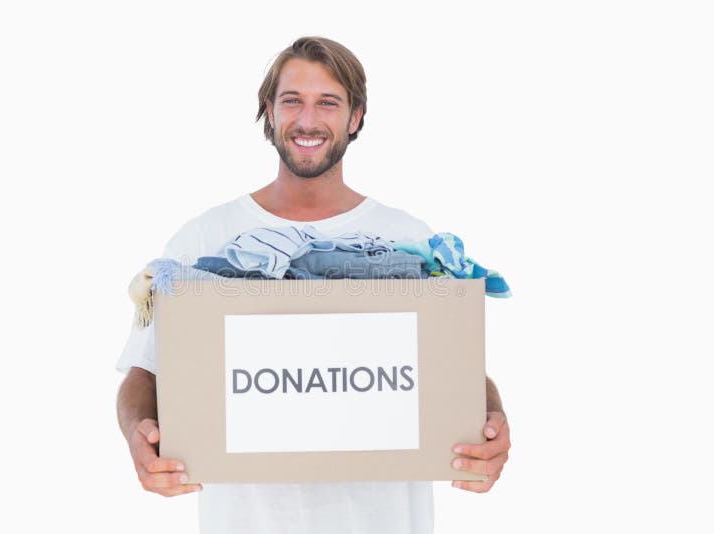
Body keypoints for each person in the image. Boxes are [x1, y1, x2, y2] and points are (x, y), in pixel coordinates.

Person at [116, 36, 511, 534]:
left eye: (328, 102)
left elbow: (457, 371)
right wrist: (138, 434)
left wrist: (492, 420)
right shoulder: (202, 239)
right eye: (292, 101)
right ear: (269, 112)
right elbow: (143, 374)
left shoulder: (409, 238)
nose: (307, 120)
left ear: (356, 117)